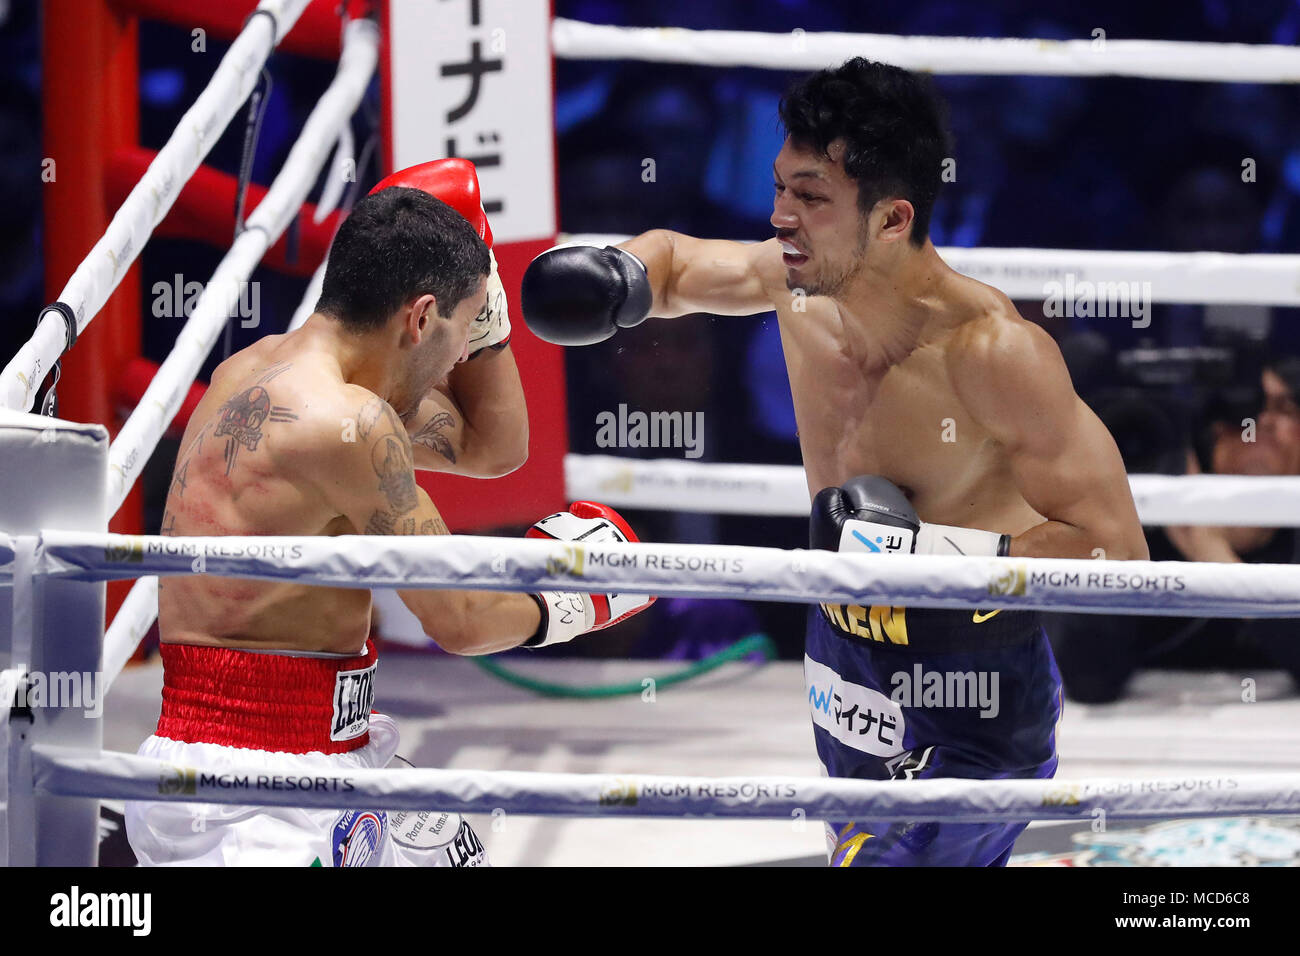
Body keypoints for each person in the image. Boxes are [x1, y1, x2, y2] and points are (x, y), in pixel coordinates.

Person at [522, 58, 1148, 866]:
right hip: (843, 651)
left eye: (810, 197)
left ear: (891, 219)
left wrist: (929, 556)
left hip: (971, 690)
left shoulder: (994, 353)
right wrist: (621, 275)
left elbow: (1116, 551)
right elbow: (677, 265)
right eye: (780, 187)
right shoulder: (797, 285)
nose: (780, 216)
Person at [124, 160, 653, 867]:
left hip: (290, 755)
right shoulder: (348, 421)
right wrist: (578, 598)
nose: (464, 355)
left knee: (454, 850)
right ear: (422, 316)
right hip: (259, 798)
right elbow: (458, 621)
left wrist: (482, 300)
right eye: (468, 330)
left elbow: (493, 448)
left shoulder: (255, 371)